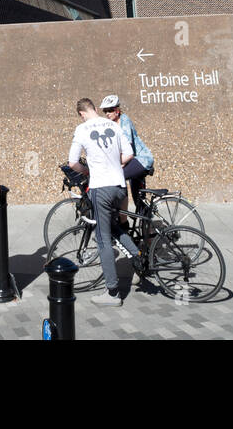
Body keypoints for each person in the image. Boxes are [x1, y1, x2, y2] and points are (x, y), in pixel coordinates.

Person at [68, 97, 140, 306]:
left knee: (102, 239)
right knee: (114, 226)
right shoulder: (113, 125)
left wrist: (88, 170)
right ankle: (138, 255)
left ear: (82, 113)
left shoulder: (82, 129)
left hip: (101, 188)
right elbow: (129, 153)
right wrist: (112, 164)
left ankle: (112, 293)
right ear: (94, 109)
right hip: (119, 187)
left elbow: (73, 162)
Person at [100, 94, 154, 215]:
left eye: (110, 110)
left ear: (117, 110)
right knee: (139, 199)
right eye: (105, 111)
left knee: (118, 178)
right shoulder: (112, 125)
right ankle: (148, 229)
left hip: (142, 159)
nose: (107, 113)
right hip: (133, 160)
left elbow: (127, 146)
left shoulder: (124, 120)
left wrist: (119, 163)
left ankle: (122, 219)